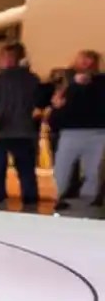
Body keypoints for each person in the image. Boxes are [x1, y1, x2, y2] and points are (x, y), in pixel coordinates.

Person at [0, 42, 43, 208]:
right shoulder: (32, 79)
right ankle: (31, 209)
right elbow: (38, 105)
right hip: (25, 132)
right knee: (27, 174)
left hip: (0, 132)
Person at [48, 50, 104, 211]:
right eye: (83, 61)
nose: (87, 64)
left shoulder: (100, 82)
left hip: (97, 131)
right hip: (70, 131)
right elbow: (56, 105)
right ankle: (61, 196)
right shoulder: (64, 81)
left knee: (92, 170)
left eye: (90, 61)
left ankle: (88, 201)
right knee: (62, 168)